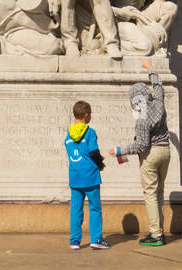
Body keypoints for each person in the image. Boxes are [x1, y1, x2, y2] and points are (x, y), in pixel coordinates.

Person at [108, 61, 170, 246]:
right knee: (159, 192)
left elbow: (141, 145)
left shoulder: (142, 118)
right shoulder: (159, 103)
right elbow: (158, 86)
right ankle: (160, 231)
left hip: (150, 155)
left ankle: (155, 234)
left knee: (150, 194)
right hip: (165, 151)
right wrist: (150, 68)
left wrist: (120, 151)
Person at [64, 99, 109, 250]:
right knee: (95, 208)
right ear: (87, 115)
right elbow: (93, 152)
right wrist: (101, 165)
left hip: (75, 177)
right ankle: (96, 239)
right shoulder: (90, 132)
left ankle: (75, 241)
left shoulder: (68, 135)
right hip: (90, 177)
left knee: (76, 209)